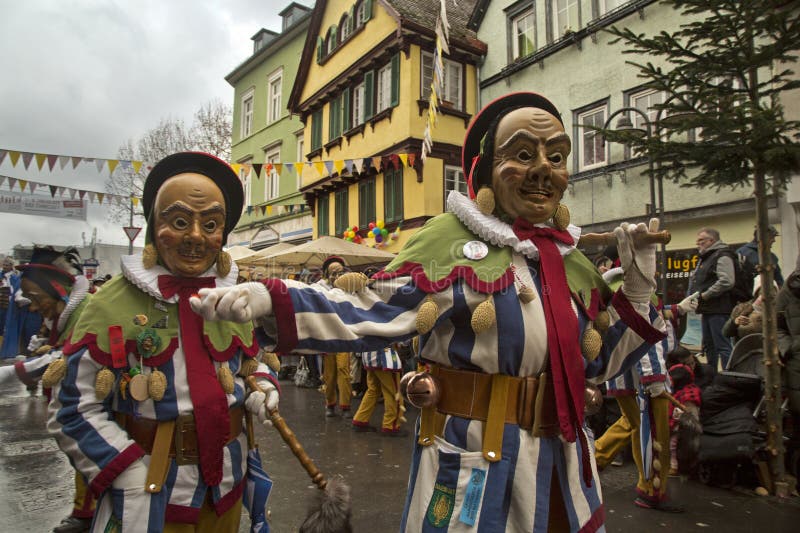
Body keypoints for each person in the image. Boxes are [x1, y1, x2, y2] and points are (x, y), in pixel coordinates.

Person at [192, 92, 668, 532]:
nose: (543, 170)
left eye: (556, 157)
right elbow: (370, 309)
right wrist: (271, 298)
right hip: (478, 461)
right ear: (485, 170)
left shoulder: (571, 261)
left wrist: (640, 285)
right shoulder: (449, 243)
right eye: (523, 155)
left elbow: (601, 365)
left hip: (562, 468)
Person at [47, 152, 280, 532]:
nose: (194, 237)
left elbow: (250, 364)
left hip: (228, 487)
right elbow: (71, 407)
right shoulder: (107, 304)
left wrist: (264, 387)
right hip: (151, 495)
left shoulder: (233, 297)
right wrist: (124, 472)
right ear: (155, 226)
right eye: (179, 221)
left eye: (210, 224)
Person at [0, 246, 96, 533]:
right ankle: (86, 508)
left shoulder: (88, 309)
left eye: (35, 298)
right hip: (80, 396)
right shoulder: (69, 311)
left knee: (88, 448)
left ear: (57, 288)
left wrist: (16, 372)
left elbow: (73, 354)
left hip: (98, 399)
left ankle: (89, 511)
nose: (31, 306)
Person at [593, 263, 680, 512]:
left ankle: (596, 457)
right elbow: (645, 338)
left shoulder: (614, 294)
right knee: (654, 434)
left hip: (623, 379)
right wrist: (653, 380)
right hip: (644, 380)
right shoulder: (637, 295)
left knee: (633, 425)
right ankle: (652, 489)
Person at [687, 228, 736, 371]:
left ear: (712, 240)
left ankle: (729, 376)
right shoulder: (706, 257)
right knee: (709, 346)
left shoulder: (722, 255)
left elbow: (727, 281)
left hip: (720, 309)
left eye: (701, 240)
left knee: (722, 345)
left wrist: (705, 295)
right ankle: (711, 375)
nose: (698, 243)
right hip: (708, 309)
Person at [317, 256, 353, 418]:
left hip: (344, 337)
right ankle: (330, 404)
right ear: (327, 275)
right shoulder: (320, 290)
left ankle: (345, 406)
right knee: (329, 374)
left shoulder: (350, 289)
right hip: (328, 337)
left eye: (340, 272)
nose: (337, 276)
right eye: (333, 273)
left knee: (344, 370)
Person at [351, 342, 407, 436]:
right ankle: (391, 425)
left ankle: (360, 420)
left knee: (373, 390)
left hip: (369, 354)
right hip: (385, 355)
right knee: (394, 391)